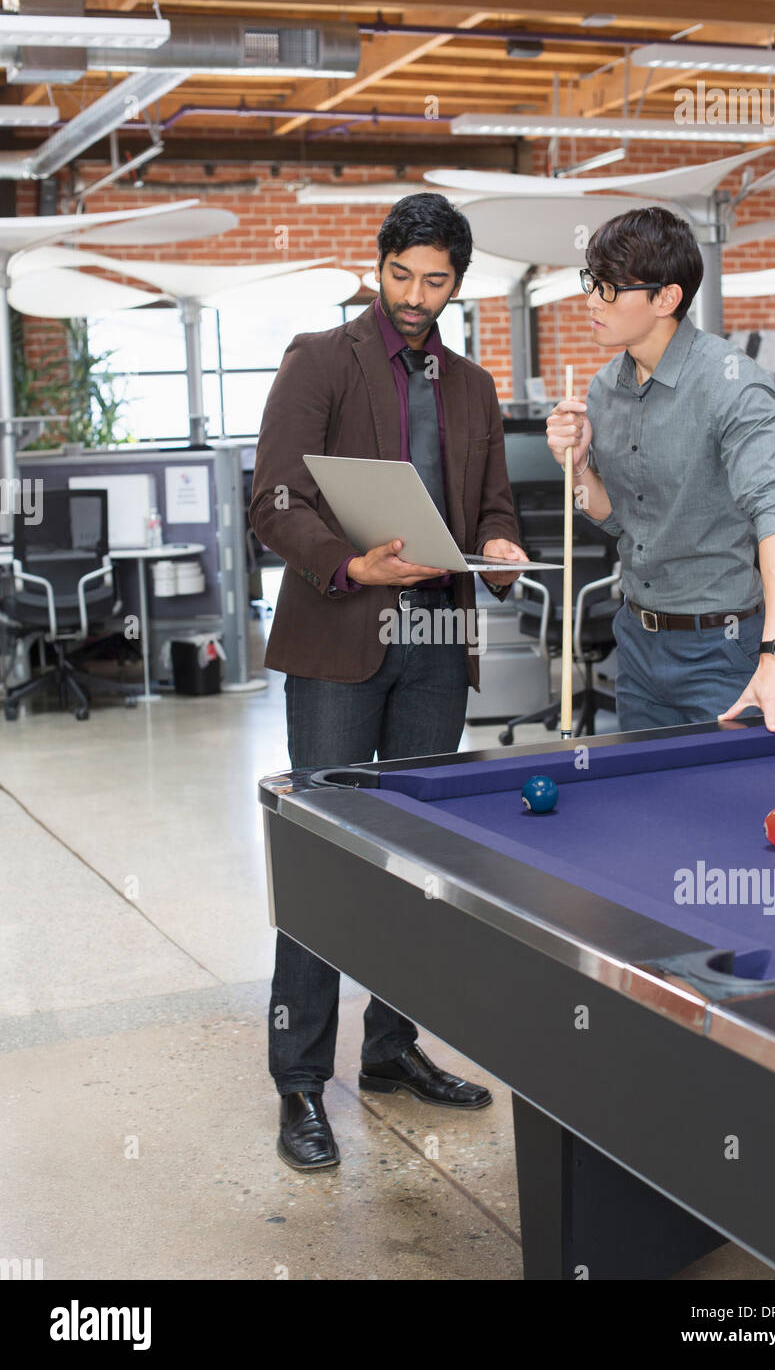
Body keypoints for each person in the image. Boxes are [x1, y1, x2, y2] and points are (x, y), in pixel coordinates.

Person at [250, 193, 528, 1170]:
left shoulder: (474, 385)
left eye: (435, 281)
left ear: (457, 282)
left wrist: (498, 543)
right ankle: (297, 1078)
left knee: (414, 862)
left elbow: (491, 507)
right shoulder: (320, 359)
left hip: (434, 642)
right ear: (379, 268)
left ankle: (391, 1049)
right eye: (400, 276)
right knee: (326, 859)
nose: (414, 297)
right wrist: (347, 563)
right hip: (337, 635)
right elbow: (273, 495)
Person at [545, 205, 775, 742]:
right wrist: (580, 469)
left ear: (666, 298)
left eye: (610, 287)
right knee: (650, 810)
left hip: (721, 651)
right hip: (635, 642)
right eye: (592, 281)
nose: (592, 300)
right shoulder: (602, 390)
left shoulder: (733, 384)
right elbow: (619, 521)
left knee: (733, 815)